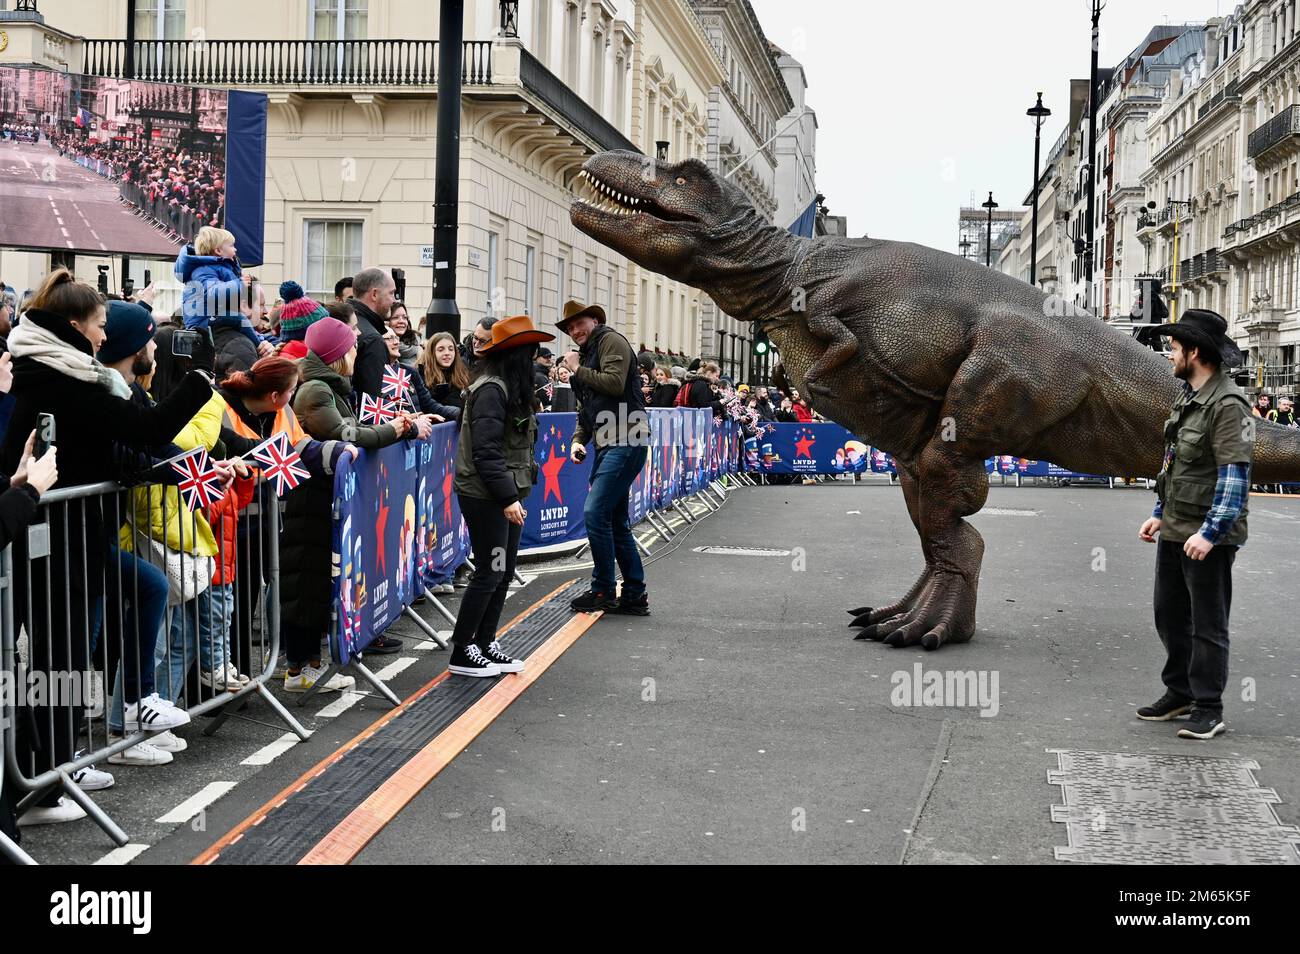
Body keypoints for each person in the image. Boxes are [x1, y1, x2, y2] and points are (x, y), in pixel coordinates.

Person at [2, 270, 212, 825]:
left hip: (73, 538)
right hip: (58, 542)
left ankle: (49, 771)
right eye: (97, 326)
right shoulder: (62, 380)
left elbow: (112, 446)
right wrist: (201, 382)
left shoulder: (61, 372)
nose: (101, 337)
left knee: (63, 658)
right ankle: (39, 782)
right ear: (75, 326)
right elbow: (142, 429)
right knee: (57, 661)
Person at [282, 318, 427, 685]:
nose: (356, 349)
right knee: (308, 583)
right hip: (311, 499)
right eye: (350, 345)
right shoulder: (316, 390)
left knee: (319, 582)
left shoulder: (331, 387)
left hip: (325, 498)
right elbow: (347, 434)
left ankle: (310, 663)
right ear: (335, 353)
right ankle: (302, 667)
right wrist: (393, 430)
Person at [1137, 309, 1252, 741]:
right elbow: (1173, 463)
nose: (1170, 354)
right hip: (1176, 525)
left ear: (1195, 352)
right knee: (1169, 614)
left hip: (1207, 535)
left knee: (1207, 623)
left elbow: (1234, 477)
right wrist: (1159, 512)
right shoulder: (1188, 397)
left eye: (1175, 347)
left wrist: (1210, 533)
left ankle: (1209, 707)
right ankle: (1180, 691)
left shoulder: (1228, 405)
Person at [449, 314, 554, 676]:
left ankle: (485, 642)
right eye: (530, 352)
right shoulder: (493, 389)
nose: (535, 360)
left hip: (501, 491)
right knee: (490, 571)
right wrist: (508, 498)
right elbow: (487, 452)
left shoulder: (507, 387)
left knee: (503, 570)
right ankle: (463, 650)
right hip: (486, 495)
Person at [556, 300, 651, 615]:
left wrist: (576, 369)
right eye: (569, 328)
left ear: (594, 319)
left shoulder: (611, 340)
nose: (574, 331)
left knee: (595, 513)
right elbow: (587, 409)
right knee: (613, 520)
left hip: (628, 435)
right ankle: (634, 594)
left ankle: (603, 590)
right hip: (610, 439)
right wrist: (577, 441)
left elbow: (613, 383)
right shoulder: (585, 355)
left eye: (578, 323)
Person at [175, 226, 272, 359]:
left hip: (211, 316)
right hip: (205, 320)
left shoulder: (218, 268)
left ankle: (259, 341)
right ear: (218, 250)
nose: (235, 249)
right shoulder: (203, 270)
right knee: (239, 318)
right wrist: (238, 284)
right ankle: (258, 345)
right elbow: (212, 293)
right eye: (232, 245)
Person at [382, 327, 459, 420]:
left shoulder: (410, 371)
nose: (396, 342)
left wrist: (460, 413)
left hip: (420, 431)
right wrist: (415, 420)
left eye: (396, 338)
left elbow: (428, 404)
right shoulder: (373, 374)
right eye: (390, 338)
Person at [348, 266, 397, 399]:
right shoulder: (372, 339)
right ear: (374, 294)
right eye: (391, 293)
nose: (394, 300)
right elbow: (373, 401)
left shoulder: (341, 321)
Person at [419, 330, 471, 414]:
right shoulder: (421, 375)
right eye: (441, 350)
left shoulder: (463, 372)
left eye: (451, 349)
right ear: (432, 352)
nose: (447, 353)